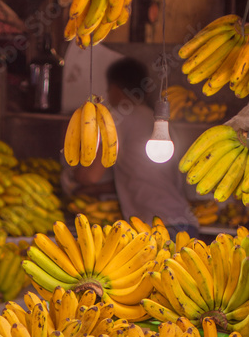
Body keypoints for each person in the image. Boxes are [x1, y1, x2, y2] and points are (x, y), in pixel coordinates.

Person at [74, 57, 198, 235]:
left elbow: (92, 175)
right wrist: (96, 189)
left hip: (158, 227)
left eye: (109, 89)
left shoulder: (118, 118)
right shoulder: (159, 122)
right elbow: (144, 177)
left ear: (116, 88)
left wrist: (74, 176)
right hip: (184, 223)